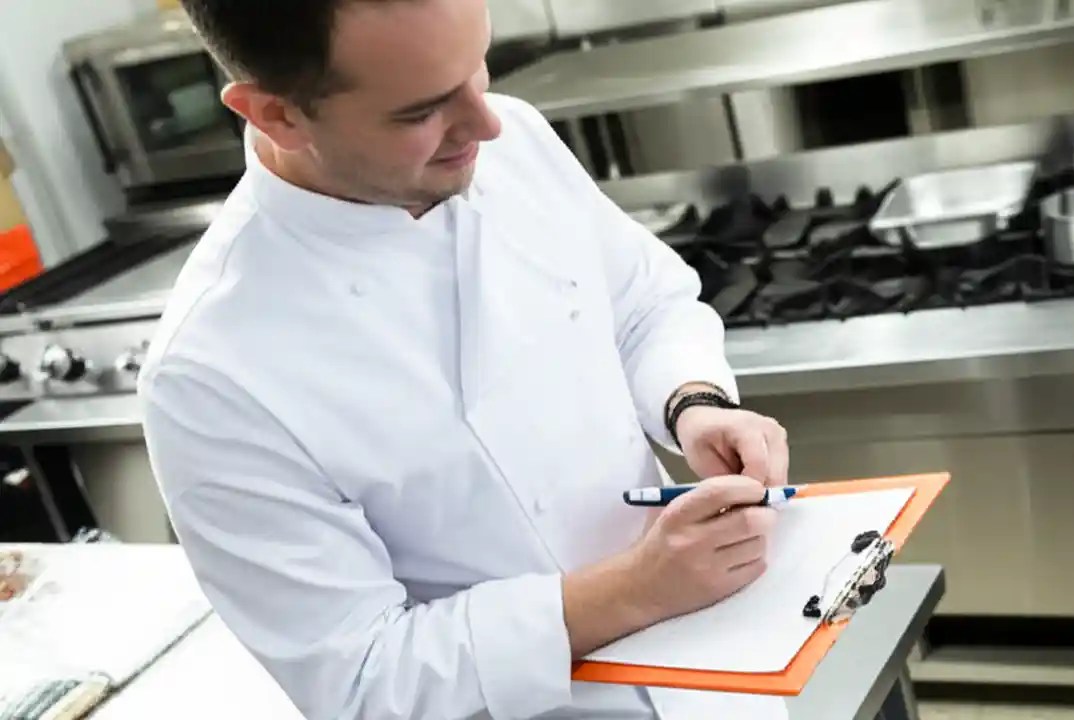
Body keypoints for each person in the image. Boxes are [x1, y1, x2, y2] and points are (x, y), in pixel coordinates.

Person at [139, 1, 793, 718]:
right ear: (277, 115)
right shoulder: (210, 372)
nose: (486, 123)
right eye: (421, 111)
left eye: (480, 68)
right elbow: (362, 677)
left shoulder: (515, 143)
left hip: (717, 674)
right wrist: (636, 589)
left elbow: (643, 303)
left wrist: (692, 403)